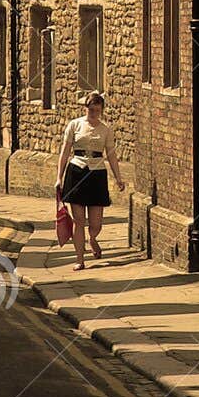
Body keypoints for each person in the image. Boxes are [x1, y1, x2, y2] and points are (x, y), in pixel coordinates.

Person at [56, 92, 125, 271]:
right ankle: (80, 259)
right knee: (79, 220)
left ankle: (92, 239)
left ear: (101, 111)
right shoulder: (74, 125)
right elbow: (64, 153)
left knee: (96, 223)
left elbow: (111, 155)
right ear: (85, 108)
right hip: (76, 172)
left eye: (96, 110)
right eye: (90, 109)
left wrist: (118, 178)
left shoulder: (106, 129)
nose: (93, 113)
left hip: (97, 174)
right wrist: (59, 178)